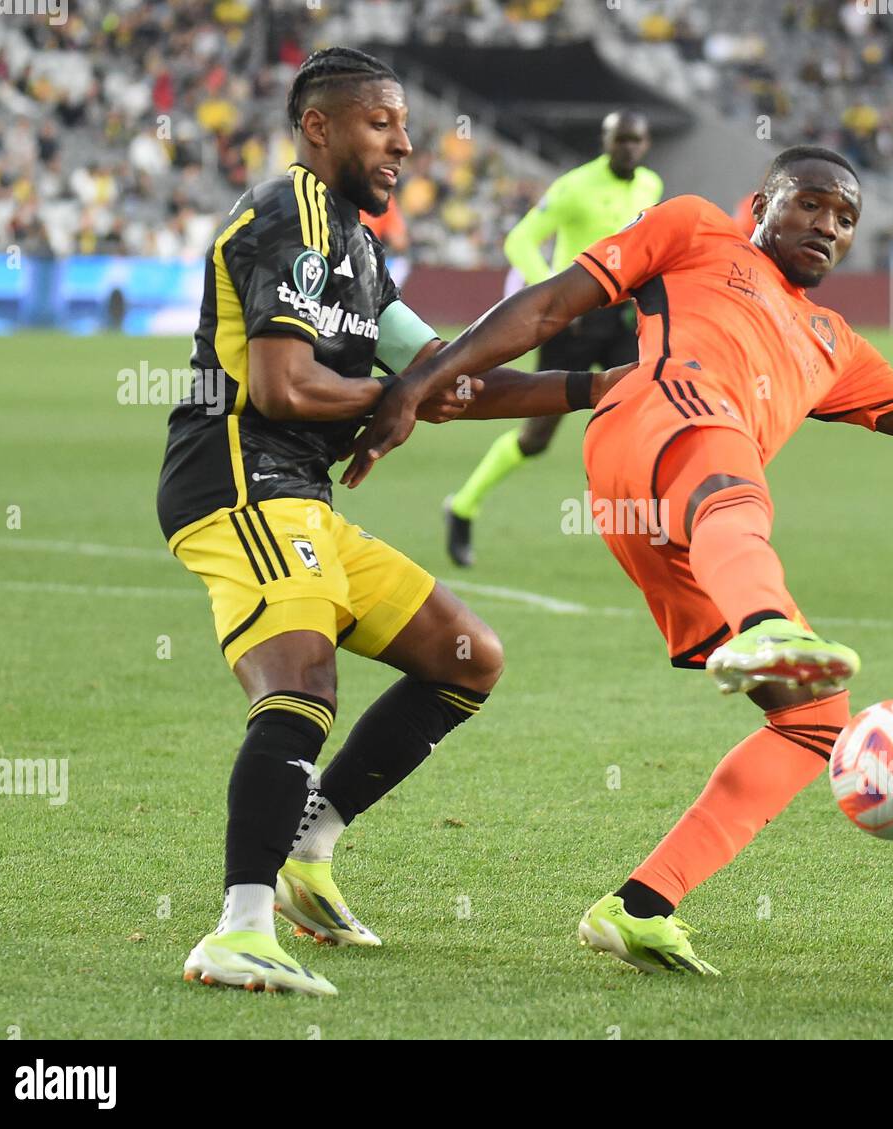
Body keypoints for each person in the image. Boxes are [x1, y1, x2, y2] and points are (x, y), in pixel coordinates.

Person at [342, 145, 893, 976]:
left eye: (846, 217)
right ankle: (763, 624)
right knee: (728, 459)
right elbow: (546, 307)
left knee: (816, 719)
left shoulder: (834, 343)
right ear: (761, 204)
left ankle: (639, 906)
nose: (828, 224)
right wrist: (421, 383)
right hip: (652, 425)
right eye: (810, 202)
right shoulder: (692, 228)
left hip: (680, 521)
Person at [156, 47, 627, 997]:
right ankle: (238, 929)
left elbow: (451, 374)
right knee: (301, 681)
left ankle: (307, 850)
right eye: (382, 124)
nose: (406, 144)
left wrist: (598, 385)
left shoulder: (360, 249)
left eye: (405, 126)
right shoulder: (288, 212)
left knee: (467, 655)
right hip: (240, 482)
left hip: (301, 497)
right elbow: (283, 386)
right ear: (318, 126)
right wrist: (396, 395)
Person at [442, 110, 662, 567]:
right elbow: (519, 241)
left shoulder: (651, 186)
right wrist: (557, 299)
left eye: (636, 141)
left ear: (646, 144)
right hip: (575, 323)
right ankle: (463, 506)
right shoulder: (573, 187)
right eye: (620, 140)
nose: (628, 148)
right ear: (605, 140)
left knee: (643, 409)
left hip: (622, 320)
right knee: (536, 437)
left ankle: (645, 524)